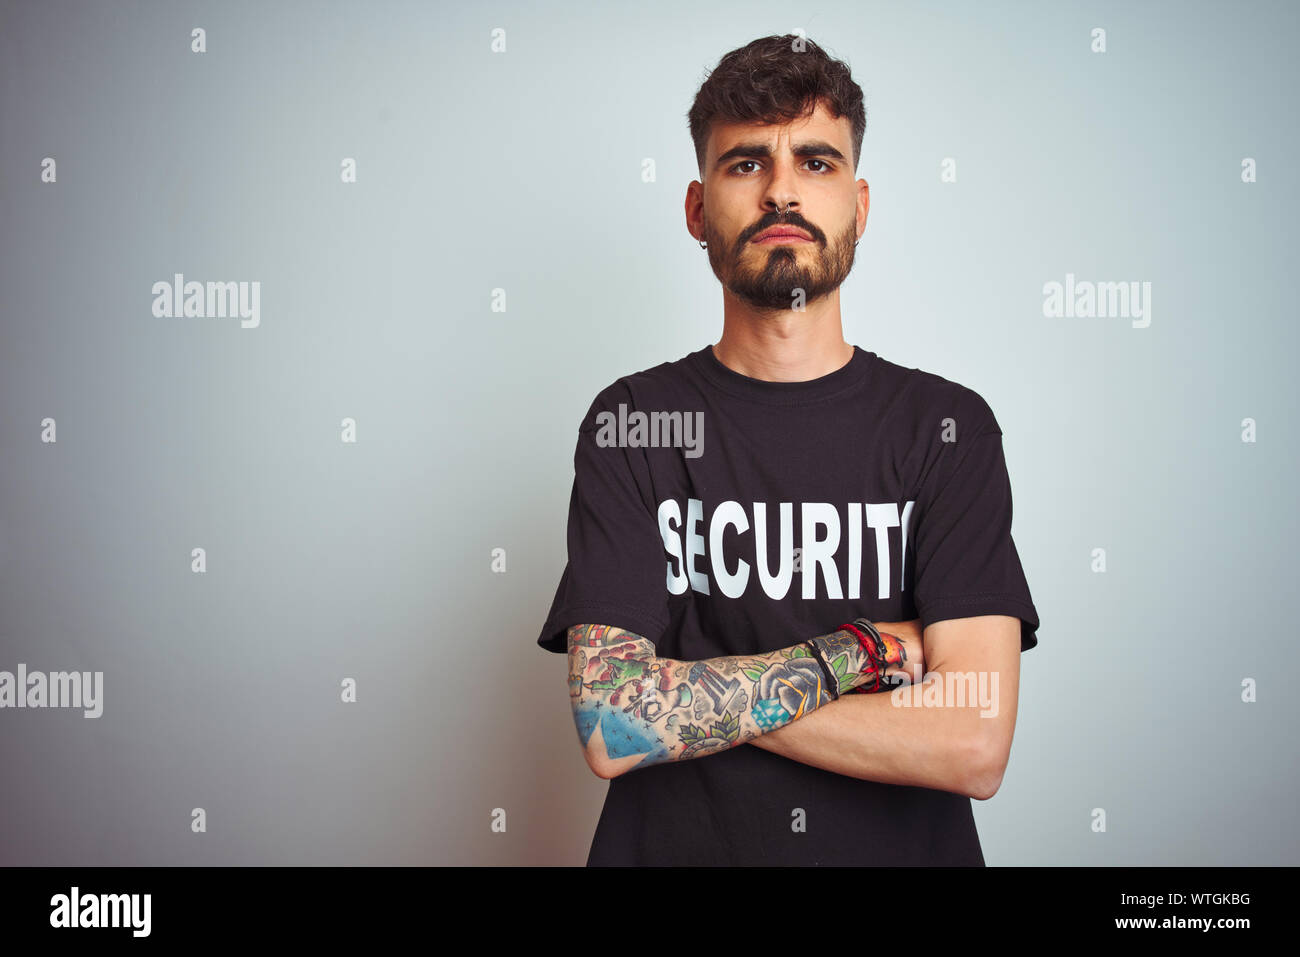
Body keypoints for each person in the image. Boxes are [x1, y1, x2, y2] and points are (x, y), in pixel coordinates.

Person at [536, 33, 1041, 866]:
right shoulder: (632, 421)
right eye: (745, 164)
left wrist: (693, 697)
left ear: (860, 204)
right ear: (698, 210)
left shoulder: (947, 428)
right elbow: (614, 725)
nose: (781, 191)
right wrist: (864, 650)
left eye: (815, 161)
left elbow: (972, 743)